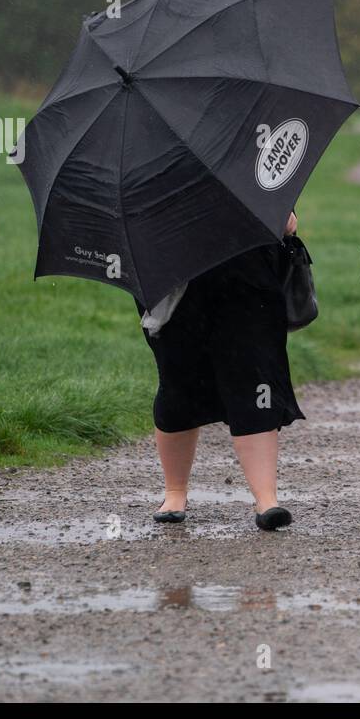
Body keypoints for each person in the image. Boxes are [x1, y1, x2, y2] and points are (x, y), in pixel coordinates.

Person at [135, 211, 302, 531]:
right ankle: (174, 493)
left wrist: (284, 212)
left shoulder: (241, 157)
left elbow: (271, 176)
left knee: (256, 379)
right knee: (178, 383)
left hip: (248, 266)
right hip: (171, 274)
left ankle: (267, 500)